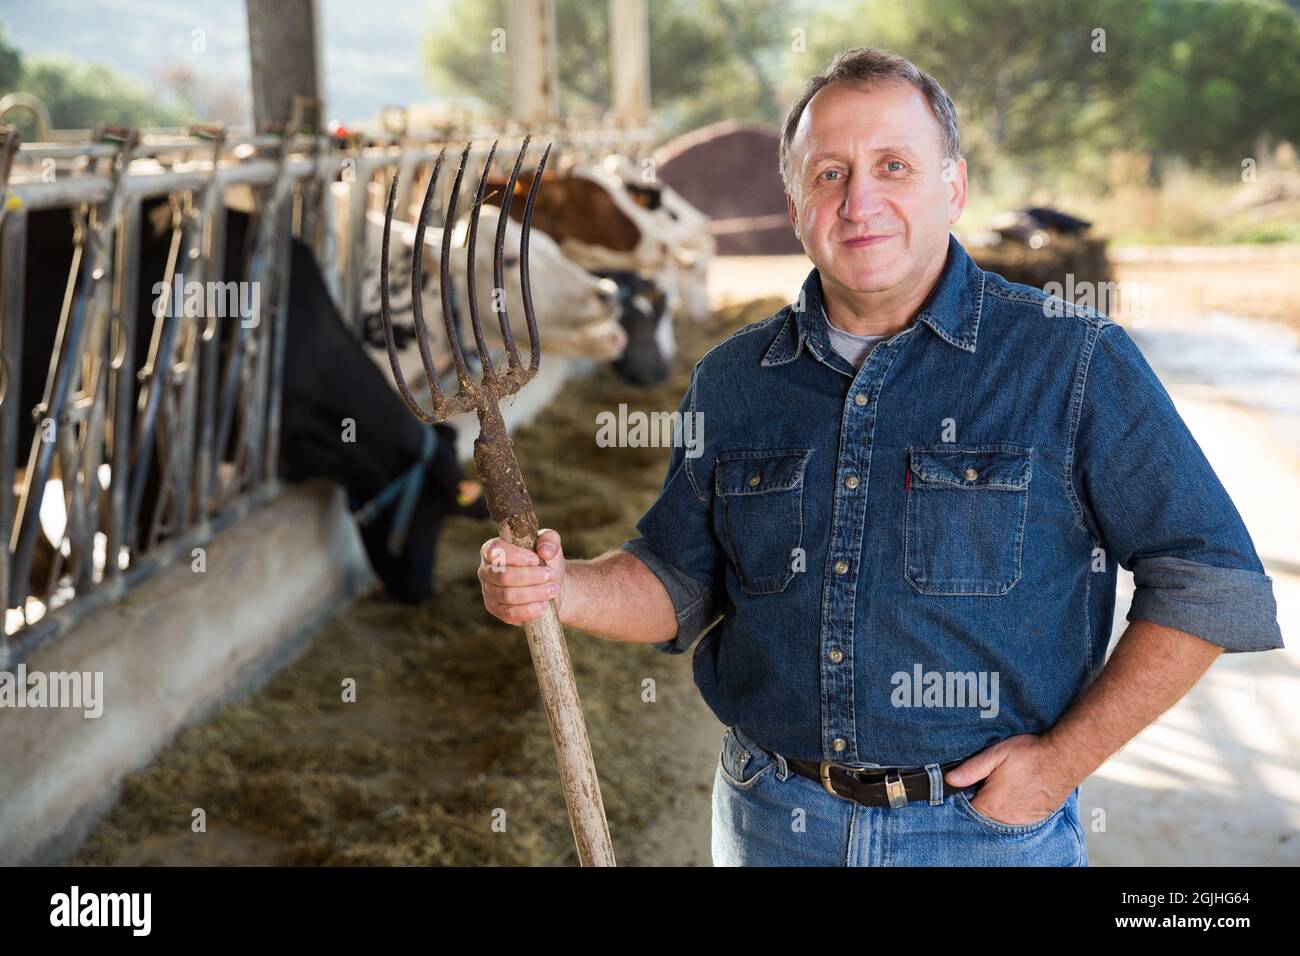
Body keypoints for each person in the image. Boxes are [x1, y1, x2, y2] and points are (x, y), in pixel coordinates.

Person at [475, 47, 1284, 866]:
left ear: (954, 188)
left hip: (979, 835)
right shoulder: (735, 380)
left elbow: (1209, 581)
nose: (859, 201)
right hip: (770, 824)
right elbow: (681, 580)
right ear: (794, 204)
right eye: (828, 173)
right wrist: (560, 586)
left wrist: (1058, 767)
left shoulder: (1069, 361)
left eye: (893, 165)